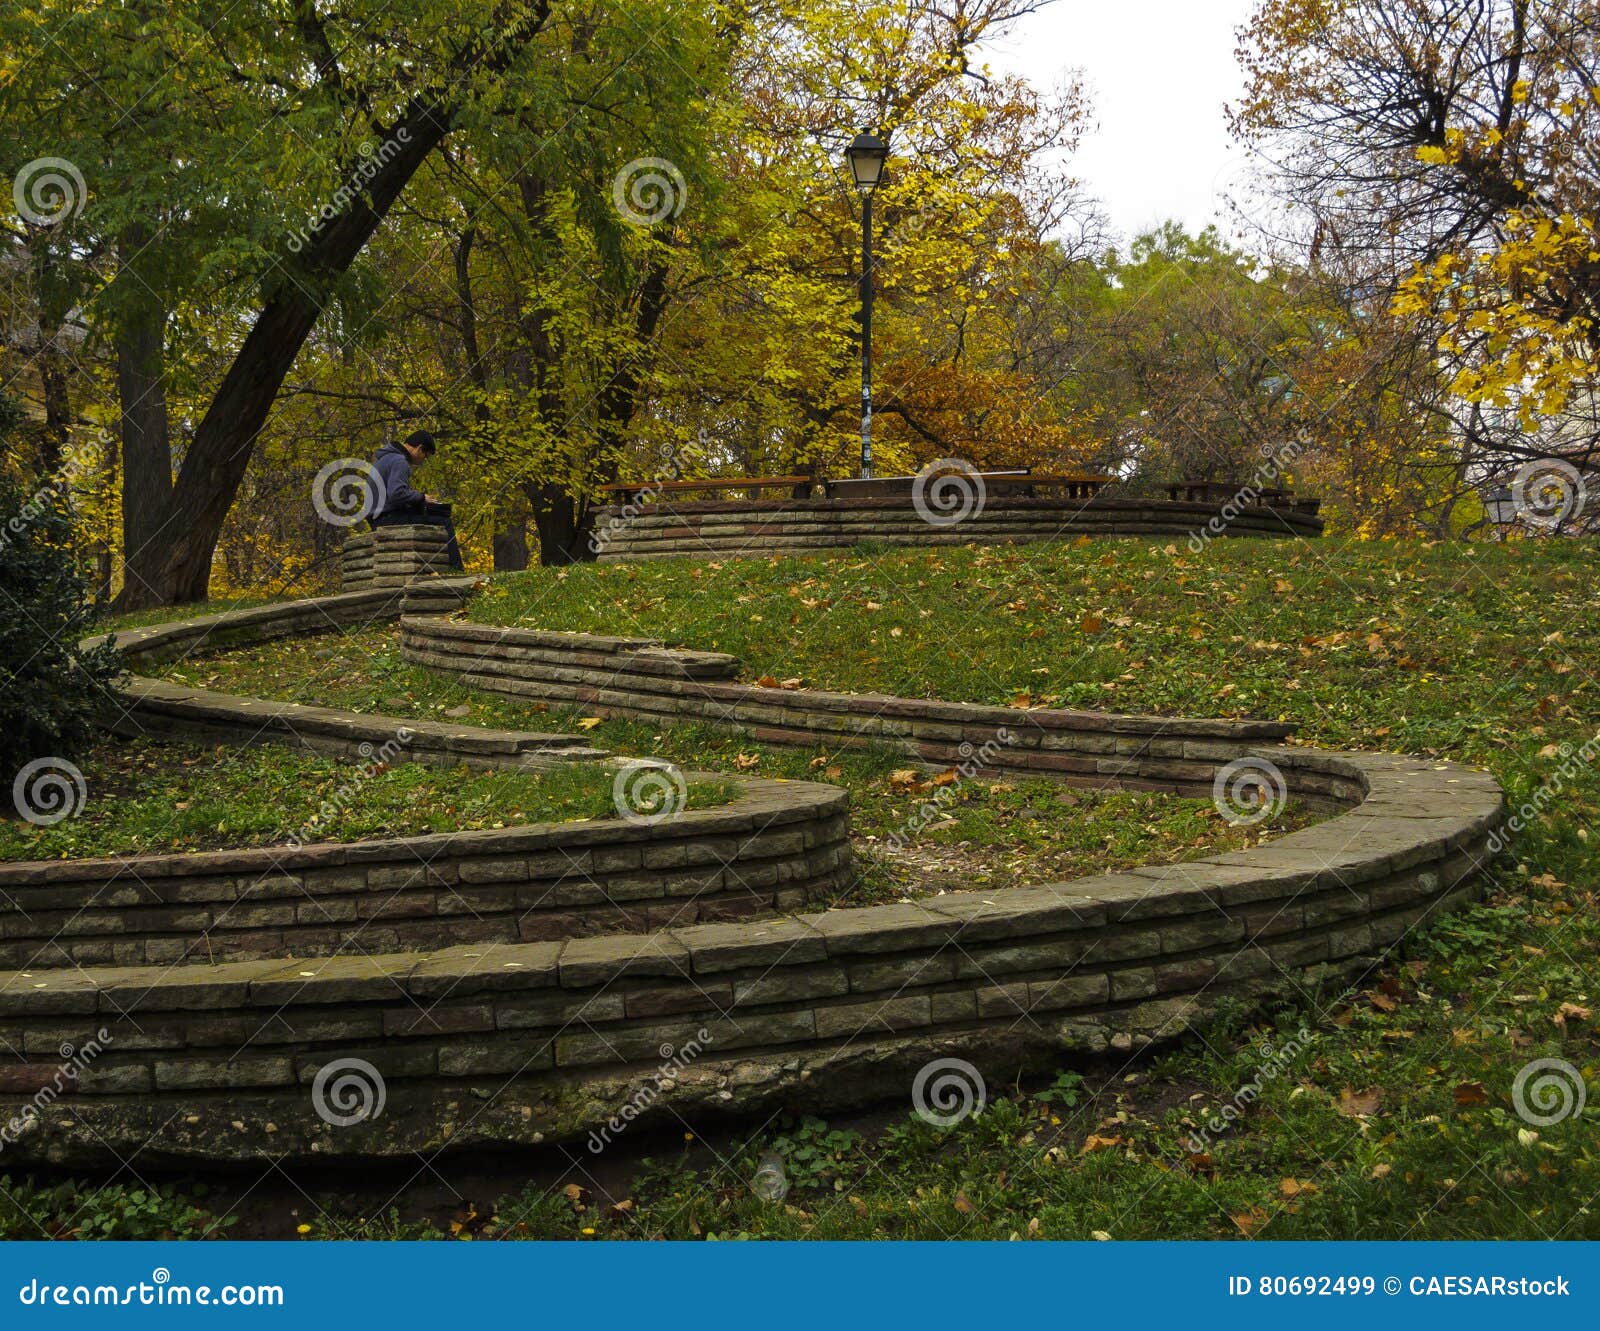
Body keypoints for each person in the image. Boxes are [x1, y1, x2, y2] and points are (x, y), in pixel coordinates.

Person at [369, 429, 463, 569]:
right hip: (387, 518)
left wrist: (418, 501)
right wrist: (422, 497)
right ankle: (457, 569)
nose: (423, 461)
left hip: (377, 517)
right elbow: (397, 494)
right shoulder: (400, 461)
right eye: (425, 456)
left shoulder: (385, 460)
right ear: (419, 449)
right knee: (444, 522)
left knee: (426, 513)